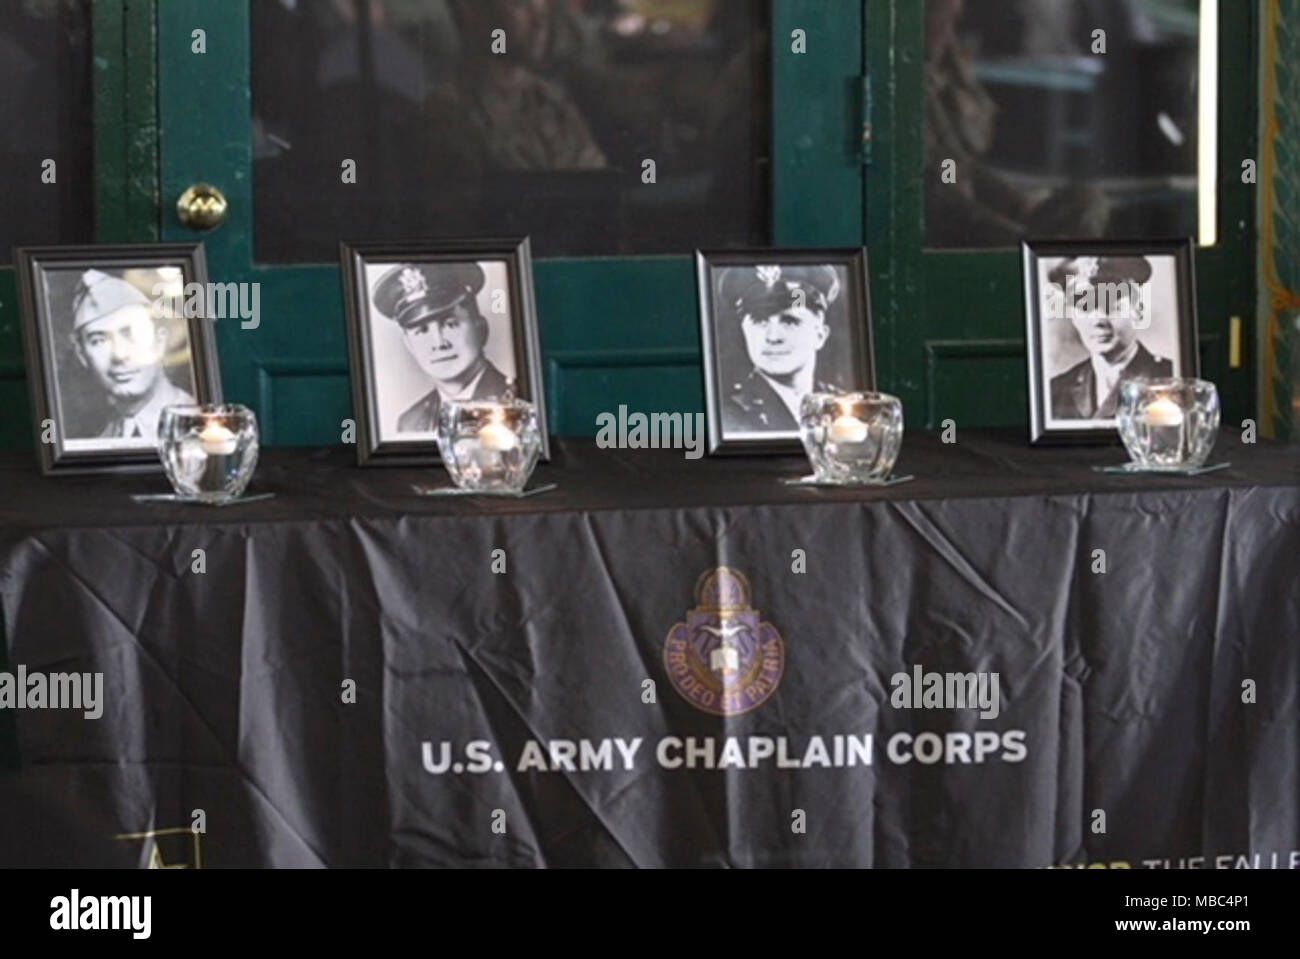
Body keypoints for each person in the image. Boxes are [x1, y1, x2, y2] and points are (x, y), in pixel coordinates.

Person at [371, 262, 514, 433]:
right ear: (409, 345)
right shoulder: (409, 423)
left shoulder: (517, 402)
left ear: (481, 329)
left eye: (450, 324)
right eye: (422, 331)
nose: (439, 344)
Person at [69, 270, 194, 441]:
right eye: (98, 340)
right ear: (82, 356)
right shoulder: (98, 443)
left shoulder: (199, 425)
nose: (119, 355)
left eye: (131, 334)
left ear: (160, 341)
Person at [720, 264, 842, 432]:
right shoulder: (727, 416)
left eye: (790, 322)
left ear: (820, 335)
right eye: (759, 321)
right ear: (744, 332)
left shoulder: (843, 408)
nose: (773, 337)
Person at [1047, 255, 1172, 419]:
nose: (1097, 320)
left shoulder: (1170, 379)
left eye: (1110, 305)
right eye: (1085, 307)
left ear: (1139, 312)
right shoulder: (1056, 390)